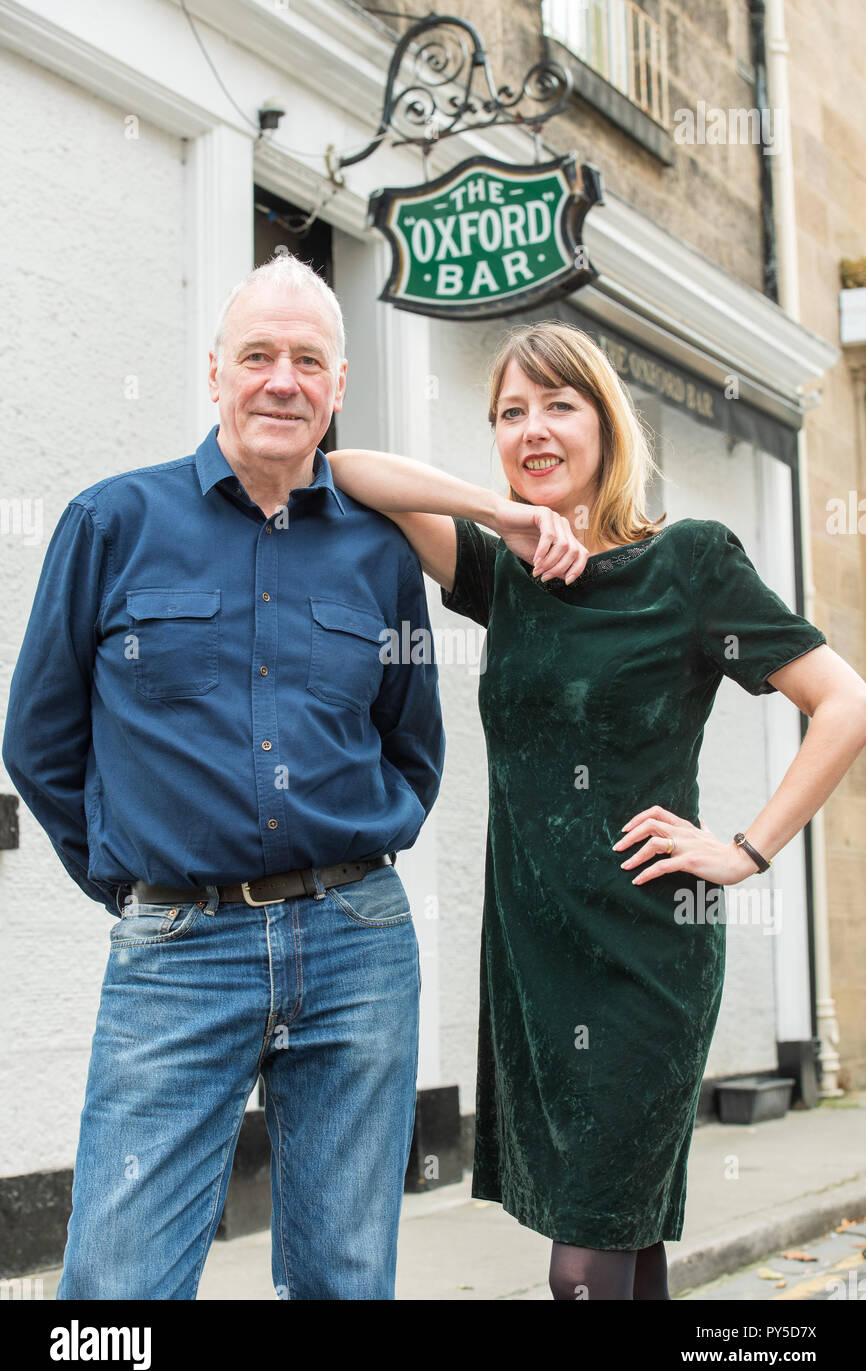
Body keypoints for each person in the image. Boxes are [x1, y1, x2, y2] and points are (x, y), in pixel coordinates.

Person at [326, 319, 866, 1301]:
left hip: (646, 959)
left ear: (606, 424)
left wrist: (744, 849)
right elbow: (350, 470)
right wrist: (503, 513)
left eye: (557, 405)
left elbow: (843, 703)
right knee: (620, 1247)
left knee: (581, 1264)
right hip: (536, 965)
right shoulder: (506, 577)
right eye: (507, 412)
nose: (532, 429)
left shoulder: (689, 565)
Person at [4, 252, 504, 1301]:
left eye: (307, 360)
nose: (282, 379)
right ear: (215, 373)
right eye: (258, 356)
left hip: (355, 943)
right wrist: (139, 885)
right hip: (178, 950)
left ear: (336, 385)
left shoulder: (377, 552)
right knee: (116, 1285)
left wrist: (366, 853)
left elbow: (410, 740)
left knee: (344, 1273)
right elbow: (40, 740)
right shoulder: (112, 523)